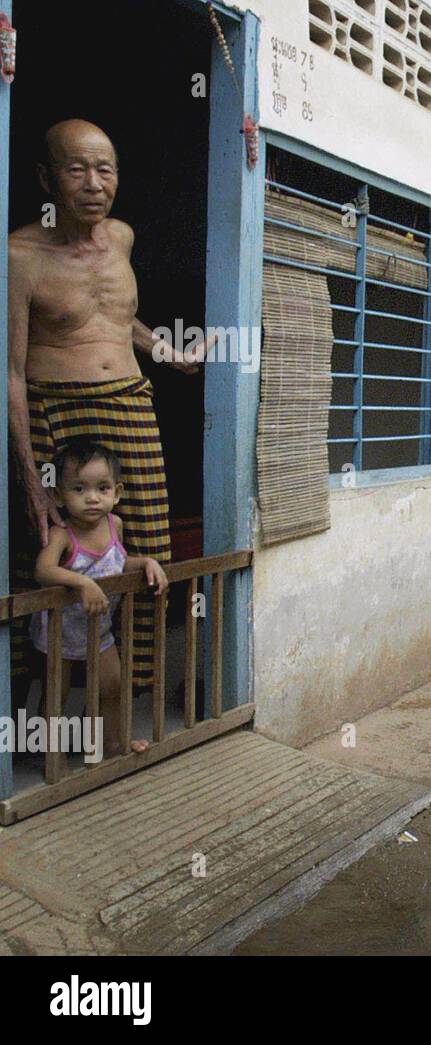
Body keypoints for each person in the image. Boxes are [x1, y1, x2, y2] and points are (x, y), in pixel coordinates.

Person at [8, 120, 201, 690]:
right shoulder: (19, 255)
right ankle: (44, 699)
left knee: (147, 548)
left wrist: (170, 353)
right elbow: (11, 375)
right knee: (49, 551)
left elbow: (117, 320)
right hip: (55, 412)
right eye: (77, 169)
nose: (94, 183)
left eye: (106, 169)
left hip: (131, 405)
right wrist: (30, 479)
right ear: (47, 177)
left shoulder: (121, 237)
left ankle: (125, 688)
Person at [33, 440, 168, 758]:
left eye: (102, 488)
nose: (92, 498)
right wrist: (81, 583)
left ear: (116, 493)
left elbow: (118, 563)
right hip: (59, 633)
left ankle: (111, 744)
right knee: (56, 694)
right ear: (58, 495)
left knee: (112, 687)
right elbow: (43, 570)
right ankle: (50, 754)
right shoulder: (61, 534)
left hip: (100, 630)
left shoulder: (114, 525)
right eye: (79, 489)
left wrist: (147, 563)